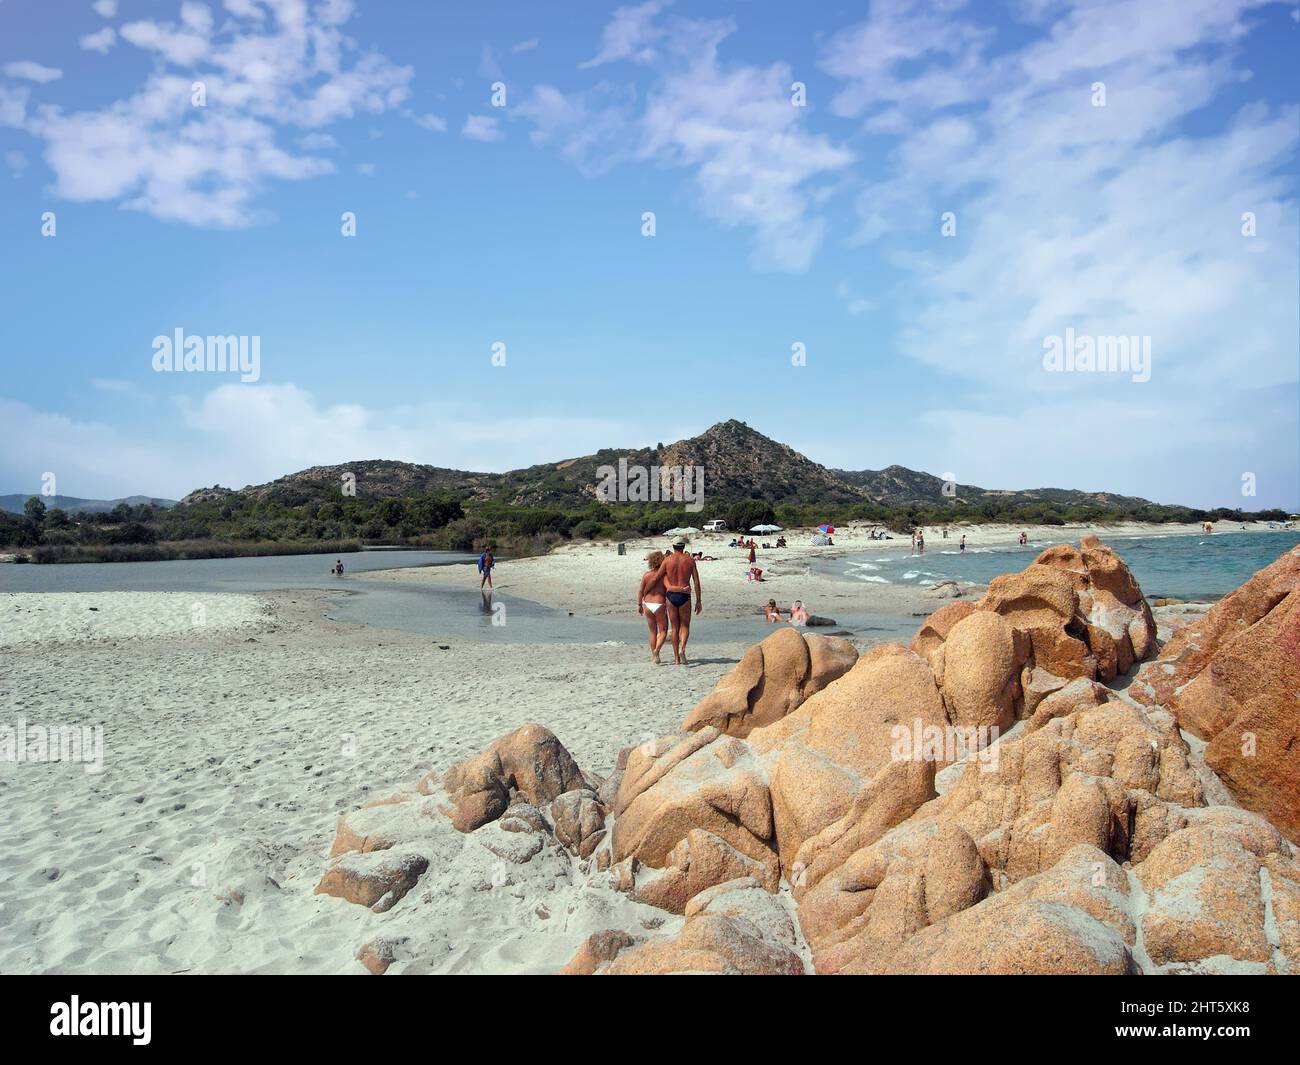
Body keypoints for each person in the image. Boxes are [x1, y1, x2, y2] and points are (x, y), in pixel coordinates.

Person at [656, 536, 701, 665]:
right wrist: (698, 600)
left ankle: (676, 659)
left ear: (673, 546)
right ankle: (682, 649)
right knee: (685, 625)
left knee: (675, 628)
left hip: (671, 596)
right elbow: (696, 581)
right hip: (685, 596)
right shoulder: (690, 561)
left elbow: (658, 577)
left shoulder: (667, 560)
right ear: (684, 547)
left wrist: (645, 593)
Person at [638, 551, 669, 664]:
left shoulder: (646, 575)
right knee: (663, 631)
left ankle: (654, 656)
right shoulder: (664, 575)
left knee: (652, 631)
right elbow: (668, 589)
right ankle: (657, 650)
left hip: (647, 604)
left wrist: (639, 604)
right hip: (659, 603)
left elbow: (641, 590)